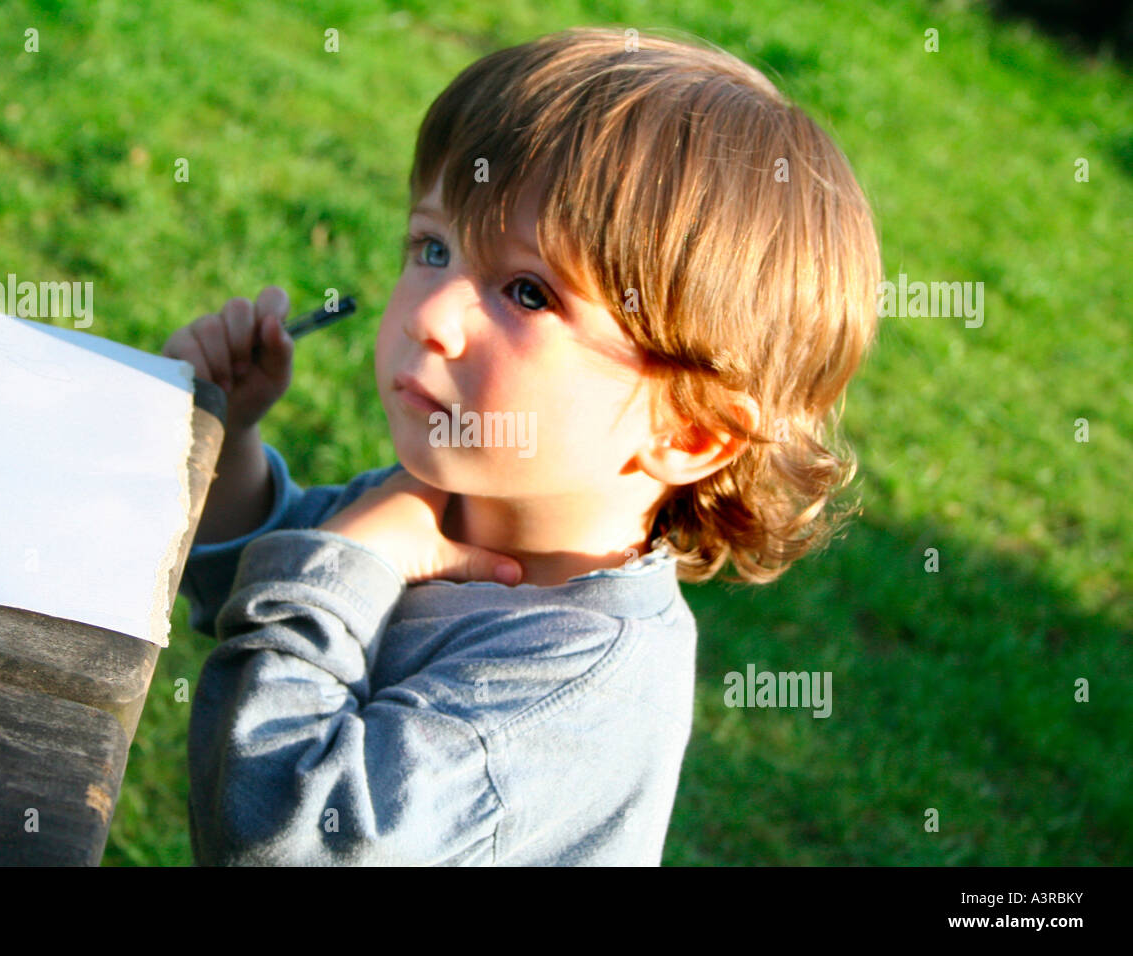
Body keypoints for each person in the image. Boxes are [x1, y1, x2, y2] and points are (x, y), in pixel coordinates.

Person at [162, 26, 881, 865]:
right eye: (433, 248)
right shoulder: (445, 507)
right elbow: (259, 591)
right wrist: (228, 440)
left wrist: (351, 558)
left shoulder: (571, 685)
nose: (431, 315)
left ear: (687, 431)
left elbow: (277, 832)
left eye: (528, 293)